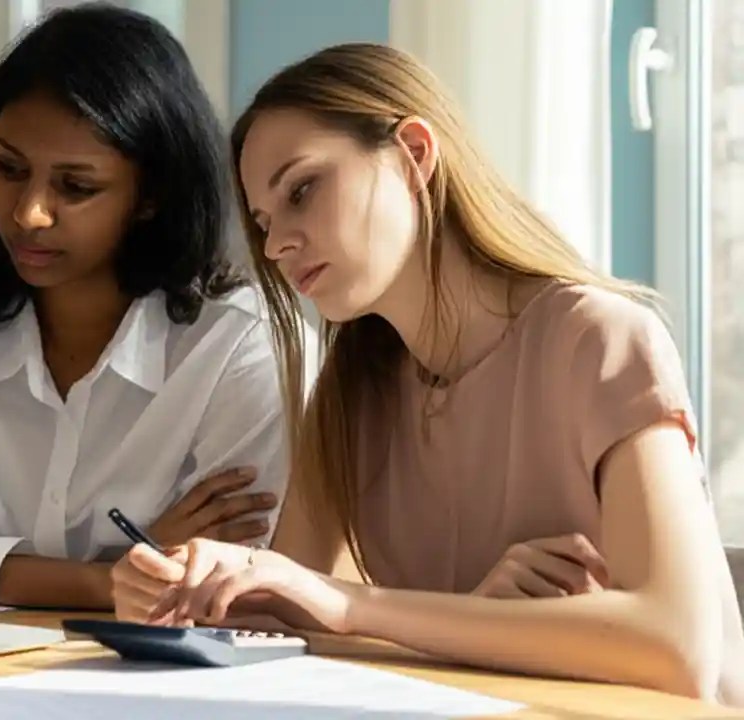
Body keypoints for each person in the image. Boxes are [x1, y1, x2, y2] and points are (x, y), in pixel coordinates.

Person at [111, 43, 744, 705]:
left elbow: (678, 650)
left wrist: (355, 605)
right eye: (265, 223)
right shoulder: (355, 388)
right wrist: (180, 591)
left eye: (302, 190)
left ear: (414, 153)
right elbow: (288, 621)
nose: (275, 246)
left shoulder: (602, 340)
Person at [0, 5, 296, 610]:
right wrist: (111, 578)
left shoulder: (236, 341)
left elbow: (235, 583)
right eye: (8, 168)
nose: (29, 214)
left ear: (152, 196)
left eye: (76, 187)